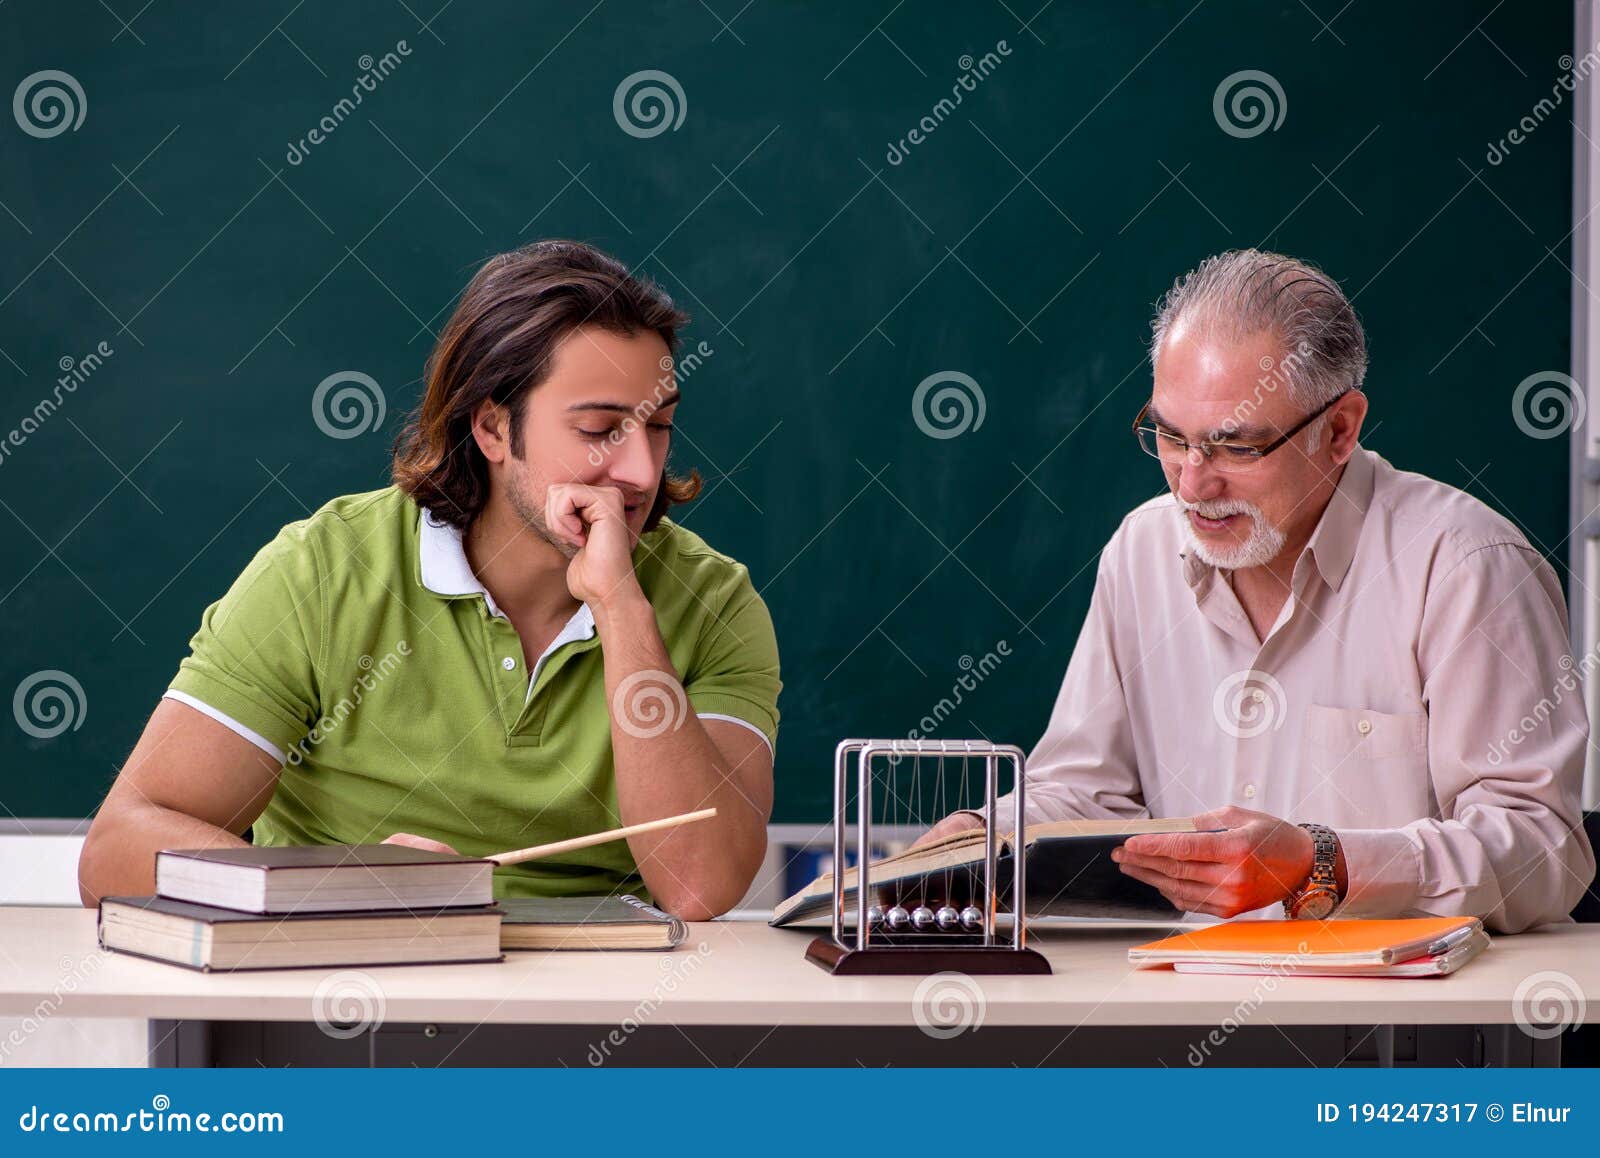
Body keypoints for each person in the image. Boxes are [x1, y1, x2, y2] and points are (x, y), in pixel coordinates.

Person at [78, 240, 781, 920]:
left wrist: (621, 605)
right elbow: (117, 851)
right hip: (342, 987)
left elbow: (699, 887)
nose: (638, 471)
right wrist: (338, 886)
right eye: (599, 429)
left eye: (657, 426)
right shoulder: (326, 569)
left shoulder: (712, 599)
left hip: (598, 1007)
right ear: (494, 430)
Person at [919, 248, 1593, 934]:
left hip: (1398, 1027)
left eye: (1236, 448)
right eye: (1171, 437)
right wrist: (985, 832)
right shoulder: (1141, 549)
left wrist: (1322, 866)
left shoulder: (1466, 567)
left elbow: (1544, 853)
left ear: (1340, 430)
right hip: (1169, 1003)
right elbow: (1088, 793)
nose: (1191, 485)